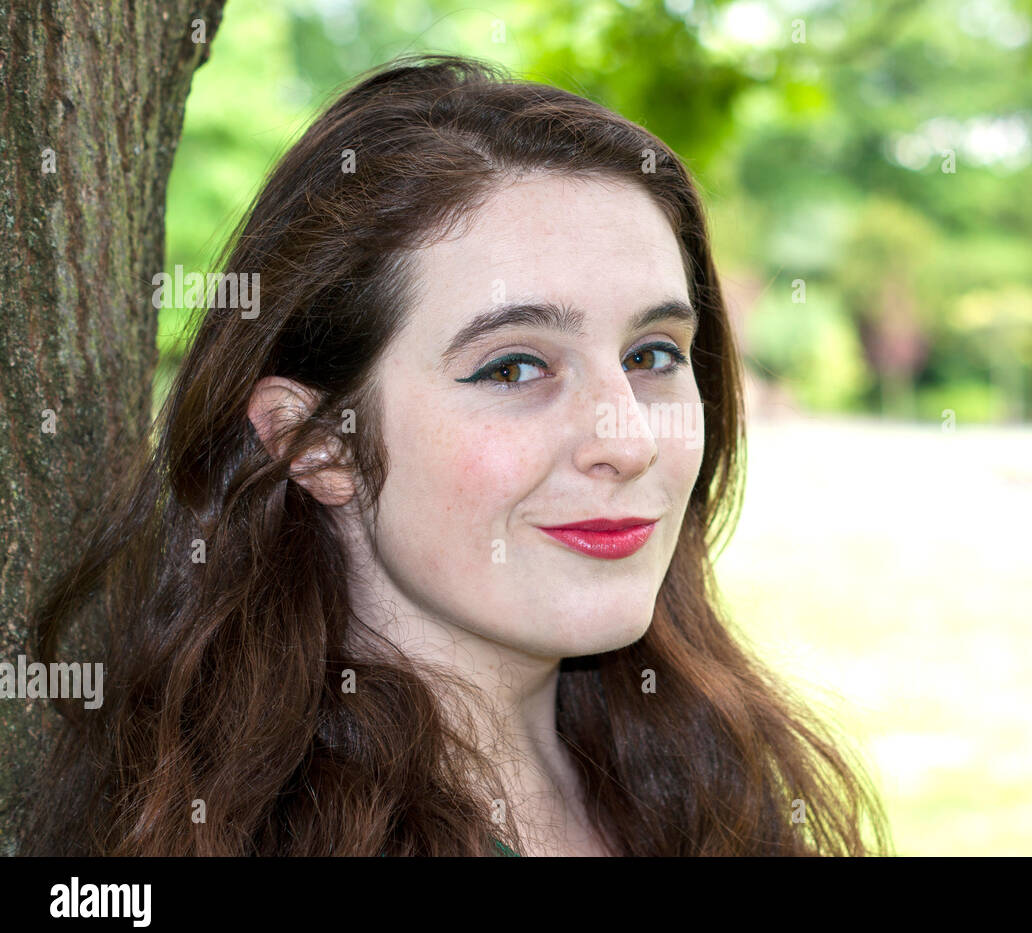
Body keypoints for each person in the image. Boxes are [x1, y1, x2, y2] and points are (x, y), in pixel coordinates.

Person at [19, 54, 892, 857]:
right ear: (316, 443)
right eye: (514, 366)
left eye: (652, 354)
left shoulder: (707, 780)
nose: (627, 440)